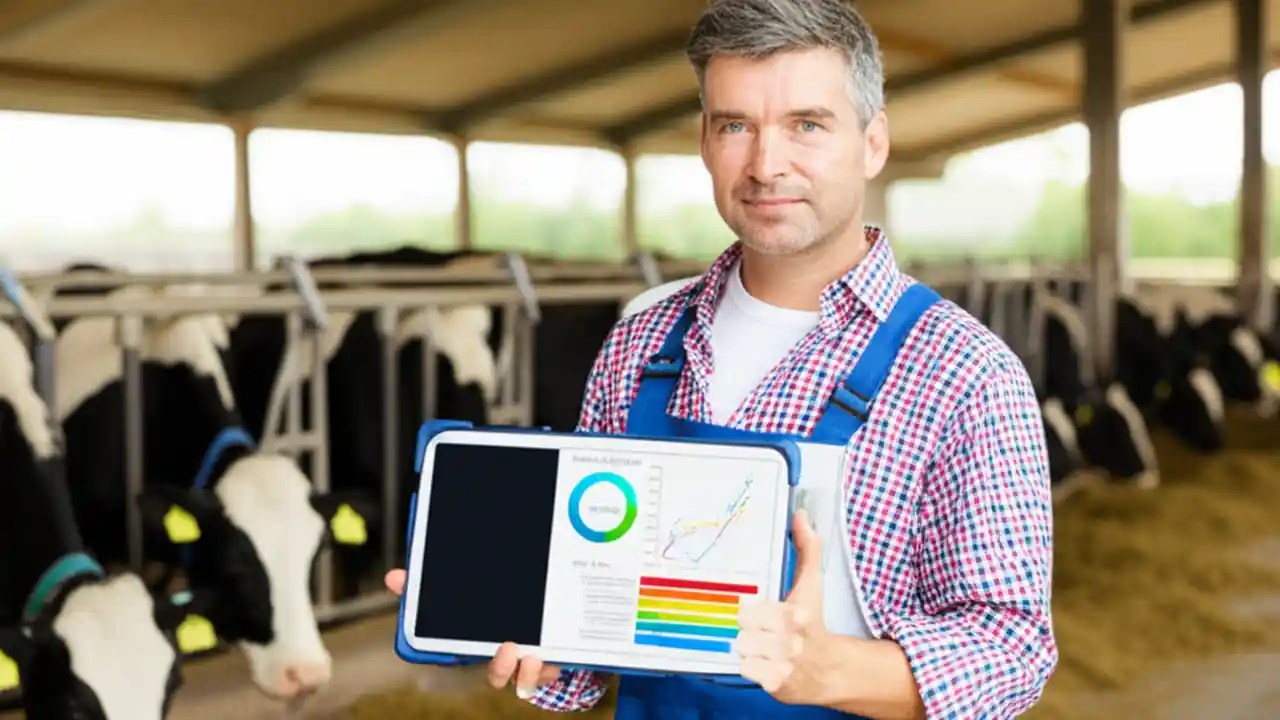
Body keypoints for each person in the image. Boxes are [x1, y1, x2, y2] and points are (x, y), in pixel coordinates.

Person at [384, 0, 1058, 717]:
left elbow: (1010, 650)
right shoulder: (642, 341)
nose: (767, 165)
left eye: (807, 124)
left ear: (872, 143)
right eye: (736, 125)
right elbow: (589, 640)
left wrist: (831, 670)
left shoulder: (965, 372)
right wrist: (526, 631)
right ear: (706, 142)